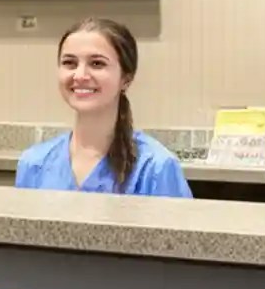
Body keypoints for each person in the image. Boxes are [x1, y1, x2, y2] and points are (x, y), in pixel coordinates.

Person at [14, 17, 192, 198]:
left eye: (97, 64)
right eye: (70, 63)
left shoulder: (156, 168)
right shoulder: (33, 164)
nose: (80, 75)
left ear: (126, 78)